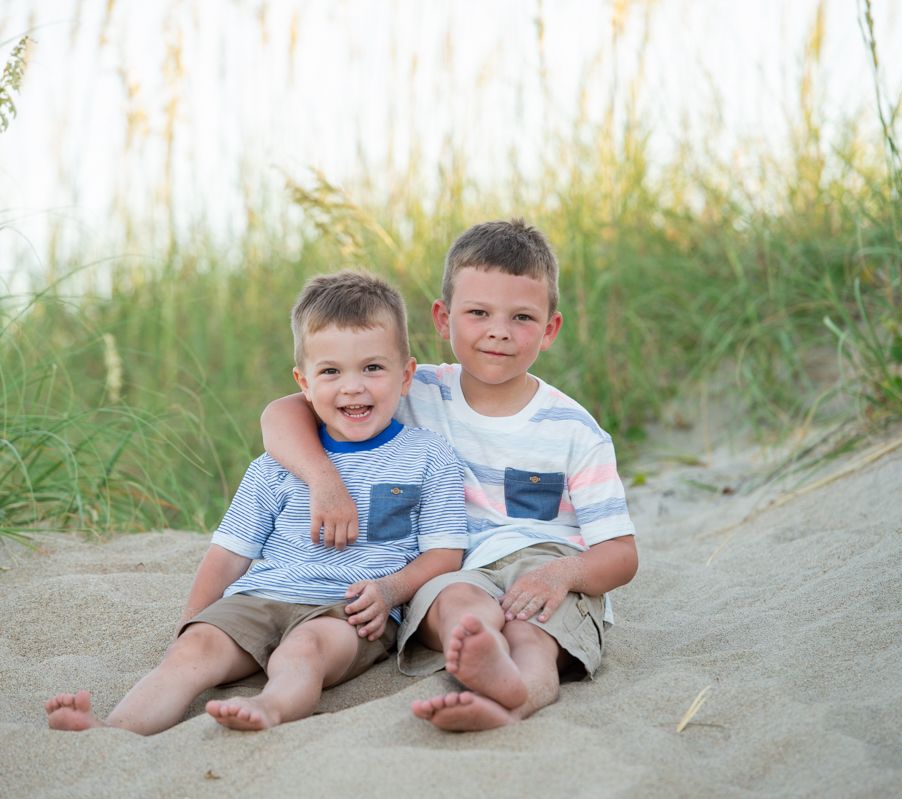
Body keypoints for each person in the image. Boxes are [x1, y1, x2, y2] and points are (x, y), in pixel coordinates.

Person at [45, 271, 467, 734]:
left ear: (405, 375)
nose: (352, 387)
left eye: (372, 368)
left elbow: (445, 553)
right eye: (330, 371)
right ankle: (113, 729)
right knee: (195, 651)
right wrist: (192, 623)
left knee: (302, 651)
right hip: (261, 597)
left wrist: (390, 590)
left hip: (345, 611)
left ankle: (271, 708)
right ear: (302, 383)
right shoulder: (277, 464)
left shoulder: (426, 456)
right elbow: (228, 555)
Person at [261, 219, 639, 731]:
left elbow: (620, 555)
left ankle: (518, 695)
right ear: (443, 318)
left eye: (522, 317)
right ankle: (485, 665)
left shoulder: (575, 431)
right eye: (478, 313)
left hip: (548, 566)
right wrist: (324, 480)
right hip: (456, 570)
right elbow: (281, 416)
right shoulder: (412, 389)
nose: (498, 331)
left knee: (531, 637)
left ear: (549, 329)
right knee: (460, 606)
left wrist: (562, 575)